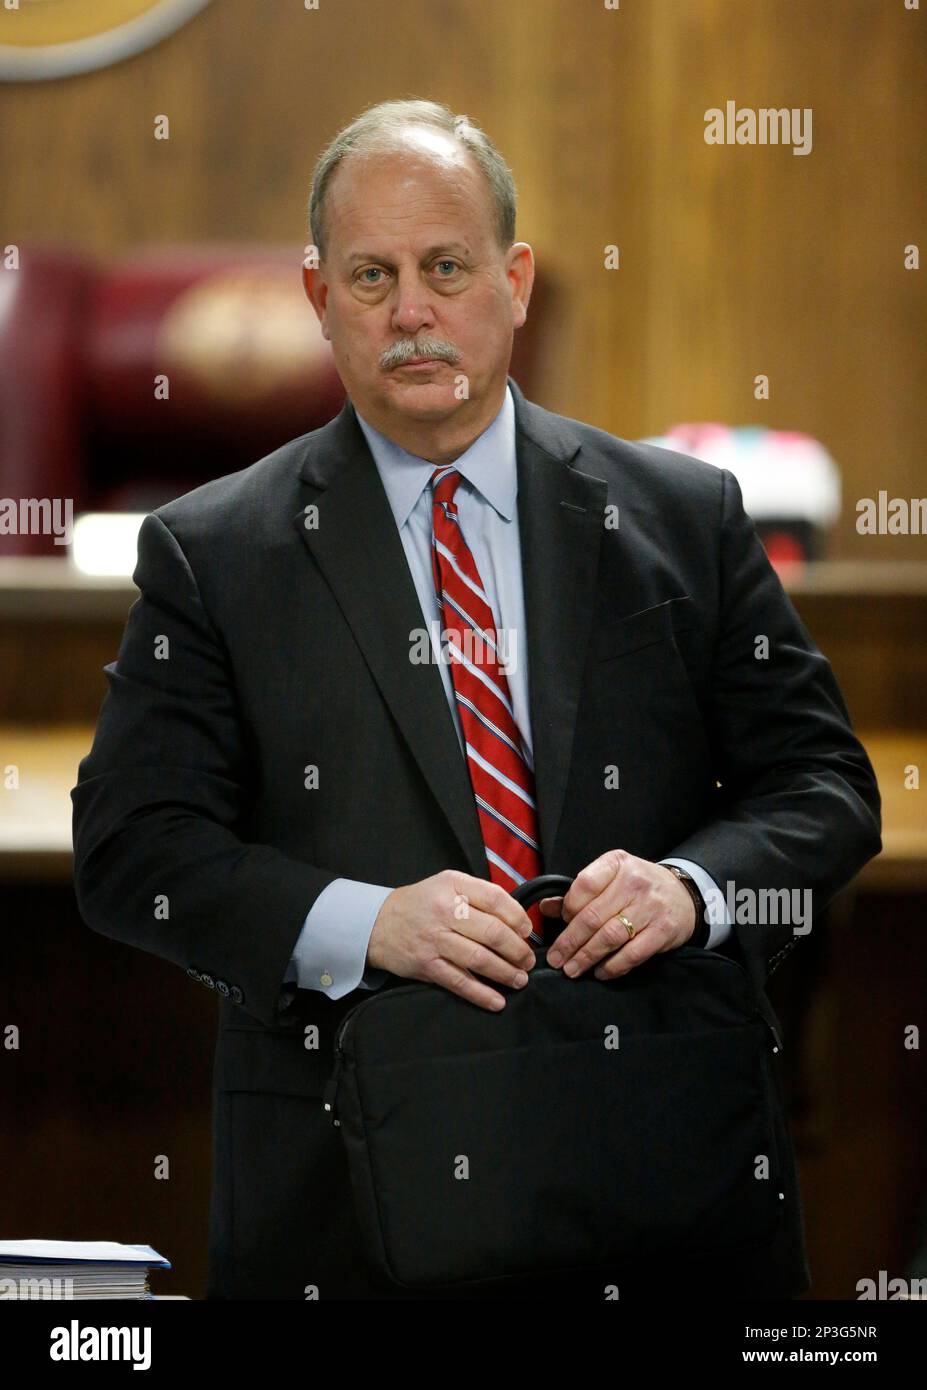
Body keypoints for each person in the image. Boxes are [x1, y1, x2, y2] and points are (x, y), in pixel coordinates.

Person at [70, 97, 882, 1300]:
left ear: (513, 279)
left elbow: (827, 789)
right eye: (371, 275)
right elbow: (133, 850)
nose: (411, 313)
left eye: (446, 267)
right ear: (317, 299)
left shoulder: (681, 517)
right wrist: (363, 920)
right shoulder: (215, 552)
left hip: (657, 1169)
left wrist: (694, 888)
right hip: (348, 1202)